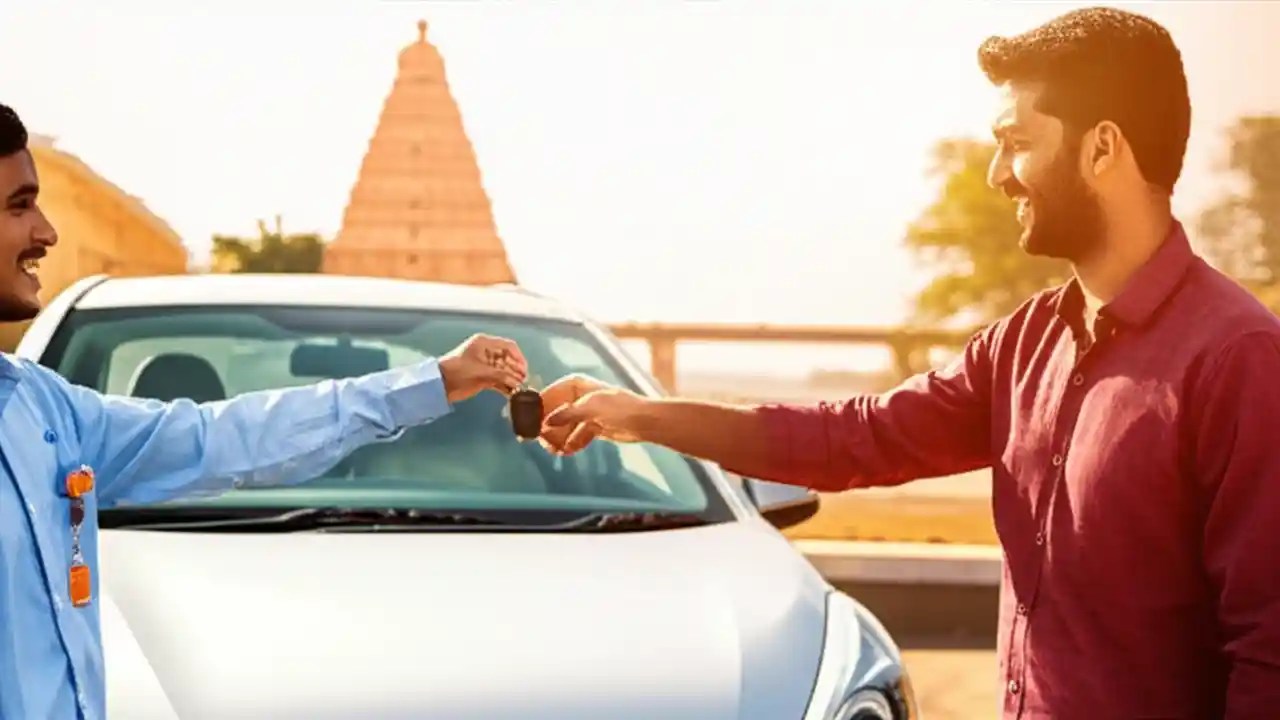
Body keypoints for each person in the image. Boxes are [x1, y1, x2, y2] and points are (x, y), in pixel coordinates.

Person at [538, 7, 1280, 719]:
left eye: (1017, 141)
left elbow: (1269, 651)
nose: (999, 174)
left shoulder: (1237, 359)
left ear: (1102, 148)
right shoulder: (1021, 346)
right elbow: (851, 440)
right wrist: (638, 416)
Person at [0, 102, 528, 720]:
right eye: (18, 205)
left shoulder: (45, 408)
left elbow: (229, 438)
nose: (47, 232)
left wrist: (437, 380)